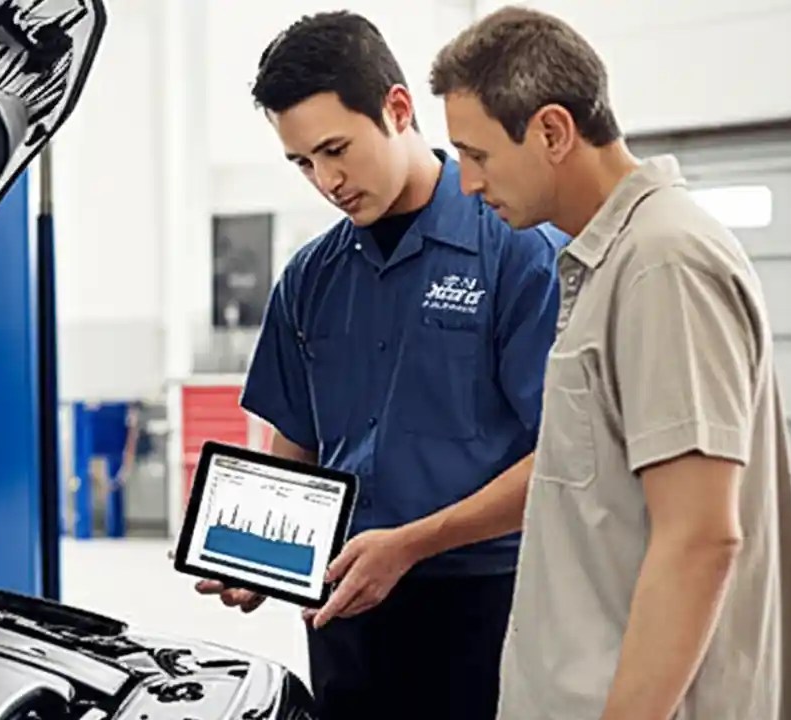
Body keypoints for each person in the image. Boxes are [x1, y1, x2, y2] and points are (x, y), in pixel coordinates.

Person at [428, 6, 791, 720]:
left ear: (551, 131)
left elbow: (700, 537)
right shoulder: (607, 261)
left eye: (476, 154)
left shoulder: (662, 261)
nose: (466, 185)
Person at [192, 11, 569, 718]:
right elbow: (296, 441)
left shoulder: (518, 252)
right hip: (343, 608)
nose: (326, 181)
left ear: (398, 109)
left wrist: (414, 544)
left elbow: (565, 457)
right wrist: (263, 559)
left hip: (487, 601)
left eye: (336, 149)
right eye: (303, 162)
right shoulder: (310, 277)